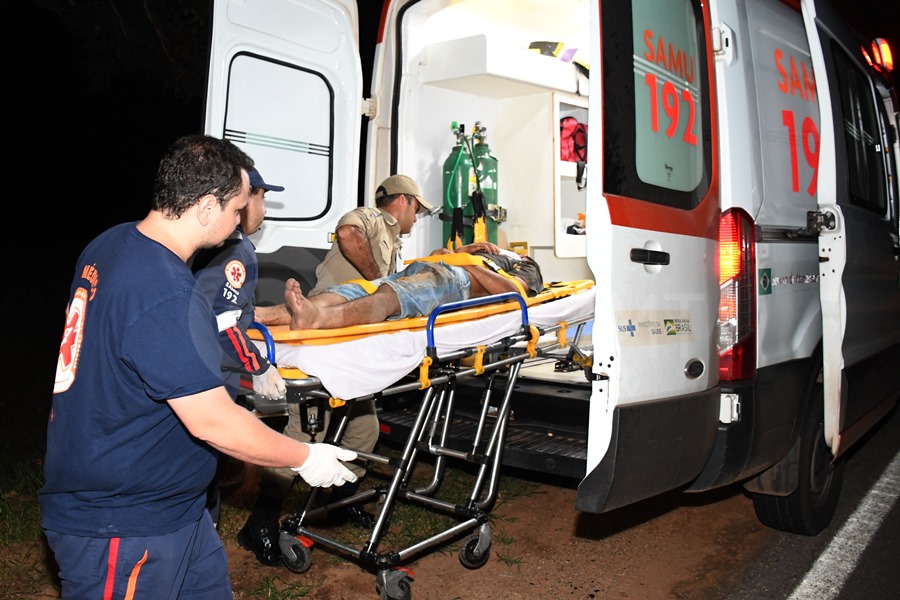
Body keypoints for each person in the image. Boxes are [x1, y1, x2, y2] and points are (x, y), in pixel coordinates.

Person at [39, 134, 358, 600]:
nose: (238, 221)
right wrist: (306, 457)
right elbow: (210, 420)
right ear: (206, 207)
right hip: (123, 523)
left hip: (179, 512)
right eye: (235, 209)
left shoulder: (108, 245)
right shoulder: (163, 289)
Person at [238, 174, 434, 566]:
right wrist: (378, 278)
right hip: (323, 343)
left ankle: (339, 504)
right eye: (418, 210)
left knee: (364, 429)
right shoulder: (372, 218)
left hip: (351, 349)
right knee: (306, 431)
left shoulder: (392, 240)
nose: (417, 219)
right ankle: (259, 521)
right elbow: (347, 232)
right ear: (404, 202)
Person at [190, 167, 288, 526]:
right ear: (247, 201)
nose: (263, 210)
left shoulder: (207, 244)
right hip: (213, 373)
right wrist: (258, 365)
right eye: (262, 199)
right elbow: (222, 320)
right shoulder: (235, 251)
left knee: (199, 464)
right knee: (200, 470)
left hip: (197, 366)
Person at [284, 241, 543, 330]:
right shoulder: (478, 254)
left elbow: (512, 293)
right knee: (356, 290)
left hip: (457, 280)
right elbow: (438, 258)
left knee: (391, 296)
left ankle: (317, 319)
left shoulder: (526, 264)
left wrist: (464, 262)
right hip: (431, 268)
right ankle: (262, 315)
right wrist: (459, 251)